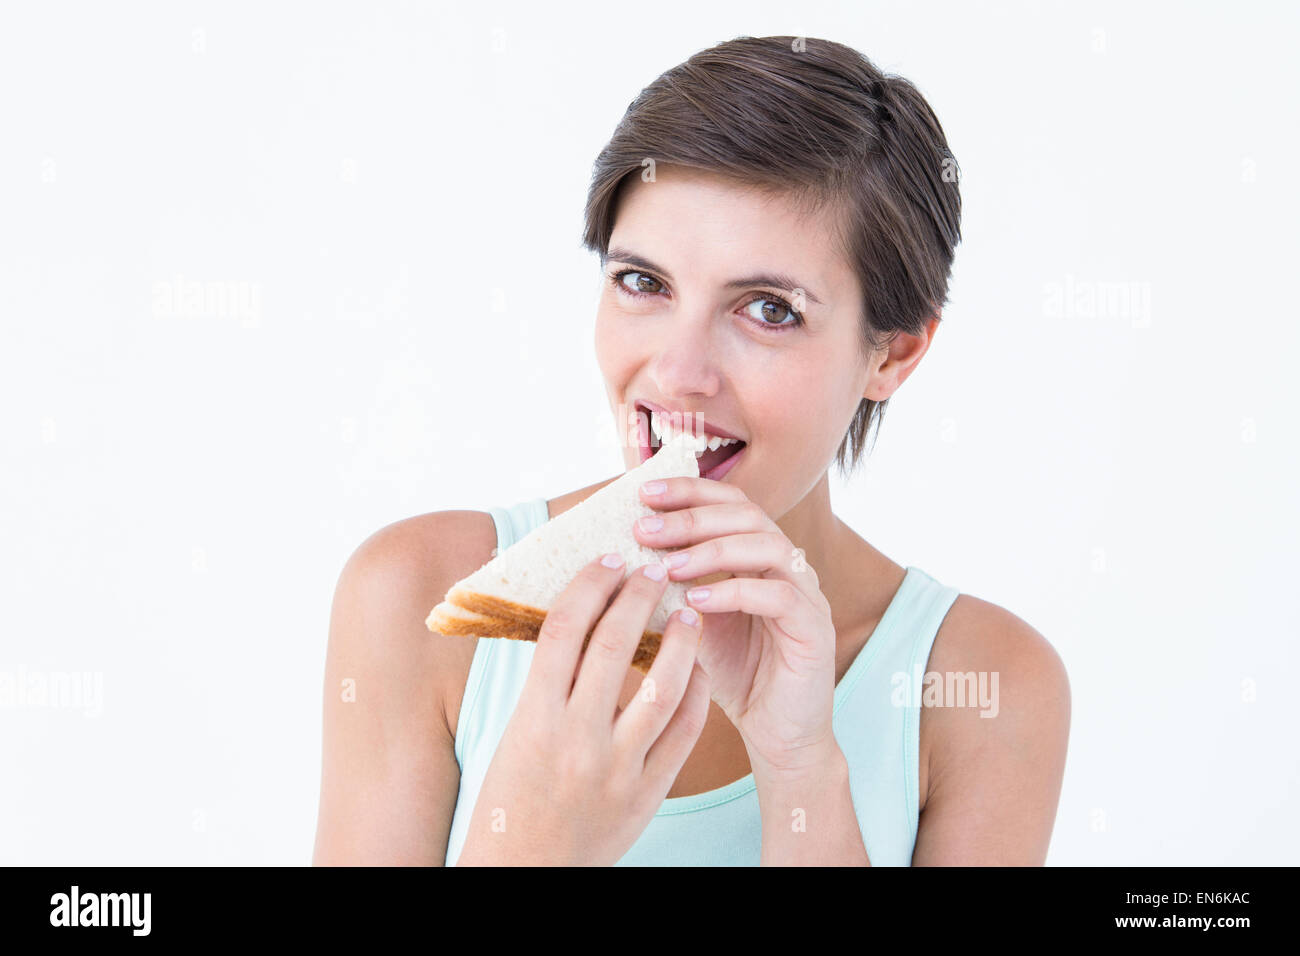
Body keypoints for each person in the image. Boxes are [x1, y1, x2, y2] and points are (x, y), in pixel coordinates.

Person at [312, 35, 1070, 866]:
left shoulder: (986, 688)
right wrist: (534, 840)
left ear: (893, 355)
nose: (677, 373)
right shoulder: (414, 597)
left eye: (770, 309)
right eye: (643, 282)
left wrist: (801, 770)